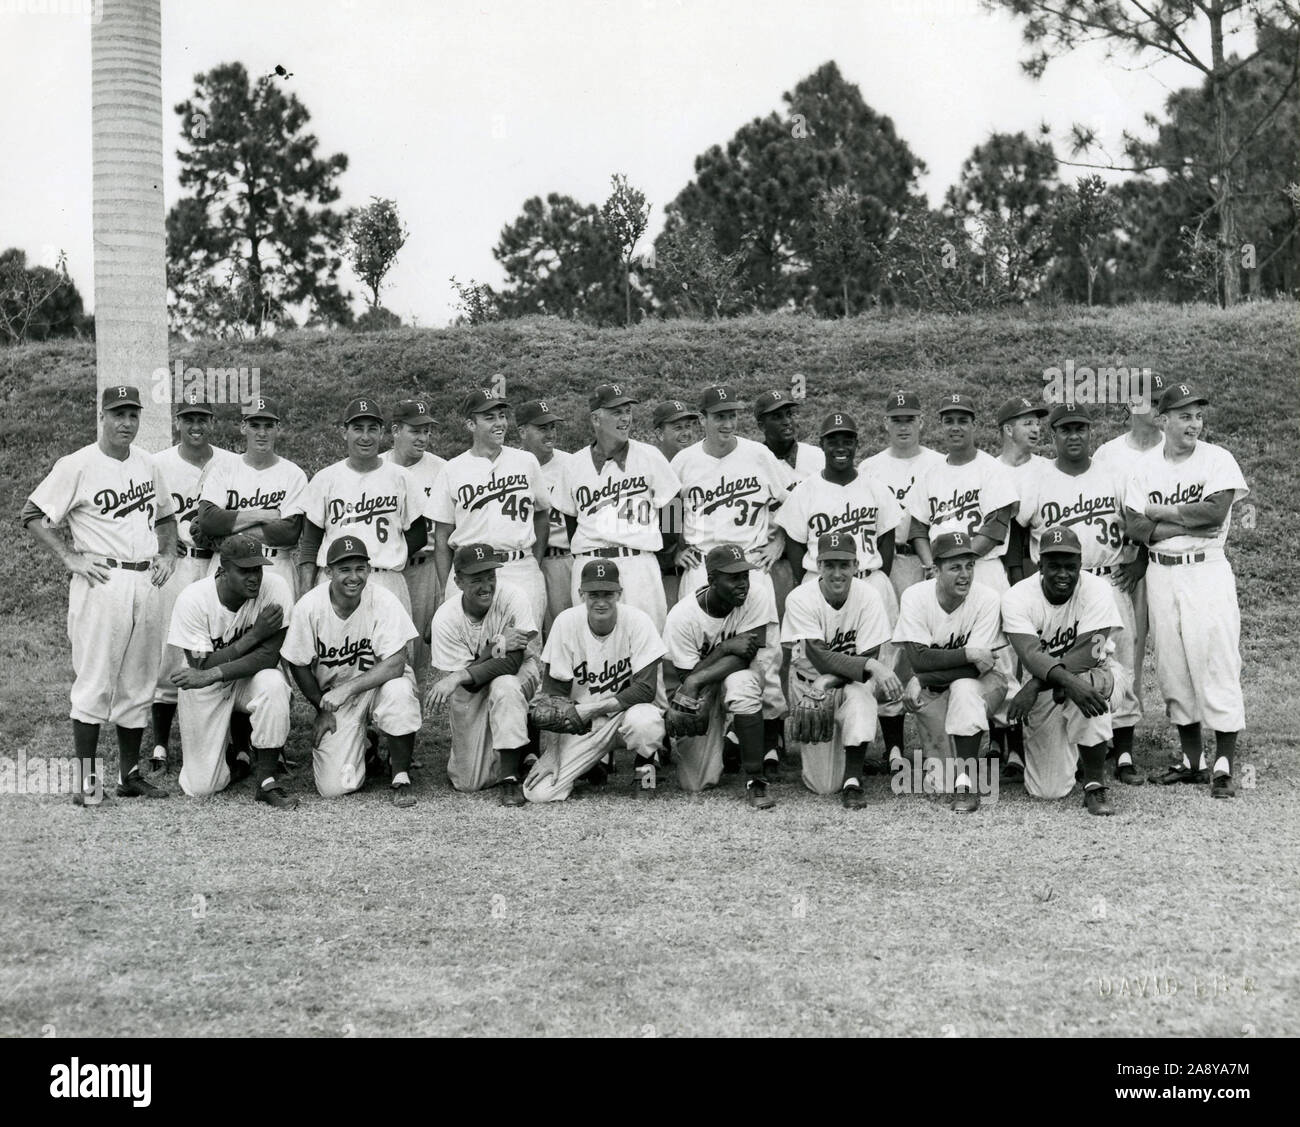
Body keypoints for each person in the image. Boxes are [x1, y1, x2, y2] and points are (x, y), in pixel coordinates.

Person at [22, 384, 177, 802]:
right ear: (102, 417)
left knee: (139, 682)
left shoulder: (148, 463)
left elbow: (166, 514)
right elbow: (32, 514)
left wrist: (168, 553)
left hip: (146, 579)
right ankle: (87, 782)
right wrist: (69, 556)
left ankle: (129, 775)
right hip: (102, 580)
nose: (126, 423)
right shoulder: (77, 465)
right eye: (118, 414)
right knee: (94, 682)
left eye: (132, 415)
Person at [1123, 383, 1249, 798]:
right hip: (1161, 573)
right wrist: (1180, 521)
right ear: (1164, 420)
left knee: (1215, 660)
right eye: (1184, 415)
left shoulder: (1217, 459)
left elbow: (1214, 516)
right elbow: (1136, 526)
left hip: (1206, 571)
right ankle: (1192, 760)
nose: (1194, 423)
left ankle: (1225, 764)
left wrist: (1164, 513)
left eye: (1198, 415)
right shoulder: (1144, 467)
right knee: (1172, 667)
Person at [1015, 403, 1144, 785]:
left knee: (1118, 665)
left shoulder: (1113, 473)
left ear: (1091, 432)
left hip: (1106, 579)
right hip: (1055, 585)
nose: (1074, 436)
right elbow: (1020, 534)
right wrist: (1024, 579)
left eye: (1080, 428)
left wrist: (1142, 561)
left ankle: (1121, 752)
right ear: (1053, 434)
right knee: (1055, 659)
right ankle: (1060, 744)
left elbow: (1139, 519)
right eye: (1065, 429)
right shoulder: (1038, 479)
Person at [776, 410, 906, 766]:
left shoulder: (874, 487)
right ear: (822, 445)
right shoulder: (806, 491)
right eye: (833, 440)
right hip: (819, 582)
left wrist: (872, 582)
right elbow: (795, 545)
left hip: (868, 580)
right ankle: (821, 728)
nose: (840, 446)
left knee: (885, 659)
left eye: (847, 439)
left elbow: (887, 540)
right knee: (812, 659)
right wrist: (815, 578)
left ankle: (894, 747)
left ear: (856, 444)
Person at [671, 384, 789, 774]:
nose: (726, 422)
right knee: (703, 653)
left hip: (750, 563)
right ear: (702, 419)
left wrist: (780, 541)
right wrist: (675, 547)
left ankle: (768, 745)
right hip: (703, 563)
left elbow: (788, 503)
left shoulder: (757, 455)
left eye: (731, 415)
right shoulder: (685, 461)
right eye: (718, 415)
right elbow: (670, 506)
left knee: (765, 659)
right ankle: (711, 737)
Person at [281, 536, 422, 805]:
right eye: (345, 569)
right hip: (336, 699)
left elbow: (395, 663)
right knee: (335, 788)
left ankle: (400, 775)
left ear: (369, 570)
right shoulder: (309, 606)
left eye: (360, 568)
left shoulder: (384, 599)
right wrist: (320, 709)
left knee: (400, 690)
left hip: (377, 685)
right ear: (328, 571)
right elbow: (297, 663)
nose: (353, 577)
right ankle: (366, 745)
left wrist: (348, 689)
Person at [1002, 526, 1130, 816]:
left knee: (1086, 686)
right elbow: (1030, 654)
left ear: (1081, 564)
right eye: (1055, 566)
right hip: (1049, 682)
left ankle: (1095, 783)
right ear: (1039, 564)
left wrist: (1036, 685)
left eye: (1070, 566)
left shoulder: (1097, 589)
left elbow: (1092, 651)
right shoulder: (1017, 597)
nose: (1063, 574)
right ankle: (1074, 752)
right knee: (1047, 791)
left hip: (1095, 674)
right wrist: (1057, 681)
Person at [166, 533, 295, 808]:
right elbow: (201, 664)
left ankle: (266, 781)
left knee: (274, 684)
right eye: (244, 570)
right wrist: (254, 635)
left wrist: (213, 671)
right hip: (200, 685)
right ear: (222, 570)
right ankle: (237, 758)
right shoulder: (194, 599)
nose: (254, 578)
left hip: (241, 679)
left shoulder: (276, 588)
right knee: (202, 787)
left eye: (257, 569)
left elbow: (268, 657)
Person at [522, 560, 667, 802]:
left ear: (619, 594)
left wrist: (593, 708)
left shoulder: (638, 621)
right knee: (538, 794)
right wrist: (552, 752)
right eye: (593, 594)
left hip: (623, 717)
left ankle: (644, 772)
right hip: (580, 726)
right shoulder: (565, 623)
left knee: (647, 720)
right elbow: (554, 696)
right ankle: (590, 765)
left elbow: (646, 690)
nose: (601, 601)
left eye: (608, 594)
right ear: (581, 594)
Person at [893, 531, 1013, 813]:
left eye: (970, 566)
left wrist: (920, 678)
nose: (965, 575)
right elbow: (919, 659)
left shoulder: (987, 598)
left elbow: (978, 668)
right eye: (955, 567)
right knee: (938, 783)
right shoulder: (915, 596)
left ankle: (966, 783)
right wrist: (966, 653)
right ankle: (954, 772)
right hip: (935, 689)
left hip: (983, 684)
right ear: (935, 570)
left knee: (964, 687)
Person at [148, 390, 235, 774]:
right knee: (170, 649)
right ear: (177, 422)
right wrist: (164, 548)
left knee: (224, 641)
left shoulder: (230, 463)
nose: (196, 425)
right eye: (189, 418)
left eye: (203, 419)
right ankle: (160, 744)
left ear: (211, 423)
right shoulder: (158, 463)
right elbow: (145, 517)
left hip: (218, 562)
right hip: (180, 564)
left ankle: (236, 741)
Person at [780, 532, 899, 807]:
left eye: (844, 565)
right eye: (829, 565)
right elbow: (820, 657)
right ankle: (841, 760)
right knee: (823, 786)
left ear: (856, 566)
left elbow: (869, 655)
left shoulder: (869, 596)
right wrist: (868, 666)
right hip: (808, 686)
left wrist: (833, 678)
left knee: (861, 696)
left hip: (846, 684)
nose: (837, 573)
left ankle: (853, 780)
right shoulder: (800, 598)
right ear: (818, 566)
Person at [553, 383, 681, 632]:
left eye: (627, 411)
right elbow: (571, 520)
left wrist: (664, 552)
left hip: (638, 564)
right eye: (616, 412)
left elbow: (673, 506)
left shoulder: (649, 455)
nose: (625, 418)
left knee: (647, 643)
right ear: (596, 419)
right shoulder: (573, 465)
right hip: (589, 564)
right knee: (590, 645)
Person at [662, 544, 781, 809]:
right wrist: (725, 647)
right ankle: (731, 741)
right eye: (733, 577)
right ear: (712, 580)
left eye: (745, 576)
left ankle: (755, 780)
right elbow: (688, 679)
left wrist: (700, 677)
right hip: (700, 687)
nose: (743, 584)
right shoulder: (682, 617)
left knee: (741, 684)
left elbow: (745, 656)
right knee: (695, 783)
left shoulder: (757, 595)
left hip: (736, 675)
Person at [426, 543, 542, 805]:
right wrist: (497, 645)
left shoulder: (513, 596)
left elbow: (511, 664)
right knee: (468, 782)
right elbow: (471, 687)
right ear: (458, 581)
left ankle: (510, 778)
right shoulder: (445, 618)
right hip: (471, 686)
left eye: (491, 576)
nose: (486, 585)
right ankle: (520, 744)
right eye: (476, 579)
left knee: (505, 686)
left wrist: (457, 676)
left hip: (519, 671)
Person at [288, 397, 424, 612]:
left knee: (393, 646)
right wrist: (306, 592)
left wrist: (390, 553)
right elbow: (311, 543)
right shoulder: (325, 479)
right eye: (358, 429)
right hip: (335, 580)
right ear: (345, 432)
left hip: (385, 578)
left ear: (381, 433)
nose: (365, 437)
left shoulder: (402, 478)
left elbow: (418, 535)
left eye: (372, 429)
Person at [429, 387, 551, 627]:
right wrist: (448, 585)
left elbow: (541, 516)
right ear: (470, 425)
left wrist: (533, 561)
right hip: (471, 571)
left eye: (502, 416)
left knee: (526, 652)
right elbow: (441, 535)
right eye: (489, 417)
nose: (500, 423)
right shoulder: (452, 469)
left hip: (519, 567)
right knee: (470, 653)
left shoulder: (526, 461)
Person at [1092, 372, 1168, 712]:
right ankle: (1118, 726)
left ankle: (1184, 723)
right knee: (1125, 644)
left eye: (1160, 399)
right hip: (1123, 563)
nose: (1157, 407)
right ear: (1130, 404)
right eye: (1149, 400)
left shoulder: (1176, 447)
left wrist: (1144, 560)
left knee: (1172, 646)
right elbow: (1102, 511)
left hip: (1168, 560)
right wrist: (1133, 559)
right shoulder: (1109, 454)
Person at [194, 395, 307, 603]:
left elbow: (289, 532)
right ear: (243, 427)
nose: (262, 433)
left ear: (278, 428)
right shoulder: (223, 469)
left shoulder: (294, 474)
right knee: (221, 632)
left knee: (276, 631)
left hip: (275, 566)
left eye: (268, 426)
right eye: (255, 425)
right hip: (228, 566)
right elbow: (209, 521)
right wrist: (262, 515)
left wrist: (228, 535)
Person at [382, 397, 447, 678]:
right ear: (396, 431)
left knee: (416, 651)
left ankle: (411, 717)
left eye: (427, 431)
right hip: (385, 569)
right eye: (415, 430)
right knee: (383, 644)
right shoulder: (378, 466)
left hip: (424, 568)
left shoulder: (442, 469)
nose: (423, 438)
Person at [859, 389, 942, 605]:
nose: (903, 427)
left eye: (910, 420)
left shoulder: (939, 463)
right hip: (887, 560)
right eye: (897, 420)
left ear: (921, 421)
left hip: (929, 558)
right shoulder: (869, 467)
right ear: (886, 423)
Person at [754, 388, 823, 614]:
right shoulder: (753, 461)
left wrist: (783, 538)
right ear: (761, 426)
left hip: (813, 557)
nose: (786, 422)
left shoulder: (817, 456)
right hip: (772, 561)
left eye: (789, 415)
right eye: (777, 417)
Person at [515, 398, 573, 634]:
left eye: (552, 427)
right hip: (524, 561)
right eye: (542, 428)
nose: (550, 434)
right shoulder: (511, 465)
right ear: (522, 431)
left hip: (562, 560)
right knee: (528, 632)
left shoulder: (571, 464)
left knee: (565, 631)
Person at [650, 399, 701, 608]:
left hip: (696, 563)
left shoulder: (700, 464)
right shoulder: (653, 466)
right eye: (678, 427)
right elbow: (667, 524)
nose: (686, 433)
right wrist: (672, 556)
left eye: (688, 426)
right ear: (660, 434)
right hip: (662, 569)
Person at [995, 396, 1050, 585]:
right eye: (1027, 424)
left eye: (1037, 424)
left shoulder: (1048, 469)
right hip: (997, 565)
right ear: (1009, 430)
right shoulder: (989, 471)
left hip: (1040, 563)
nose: (1036, 429)